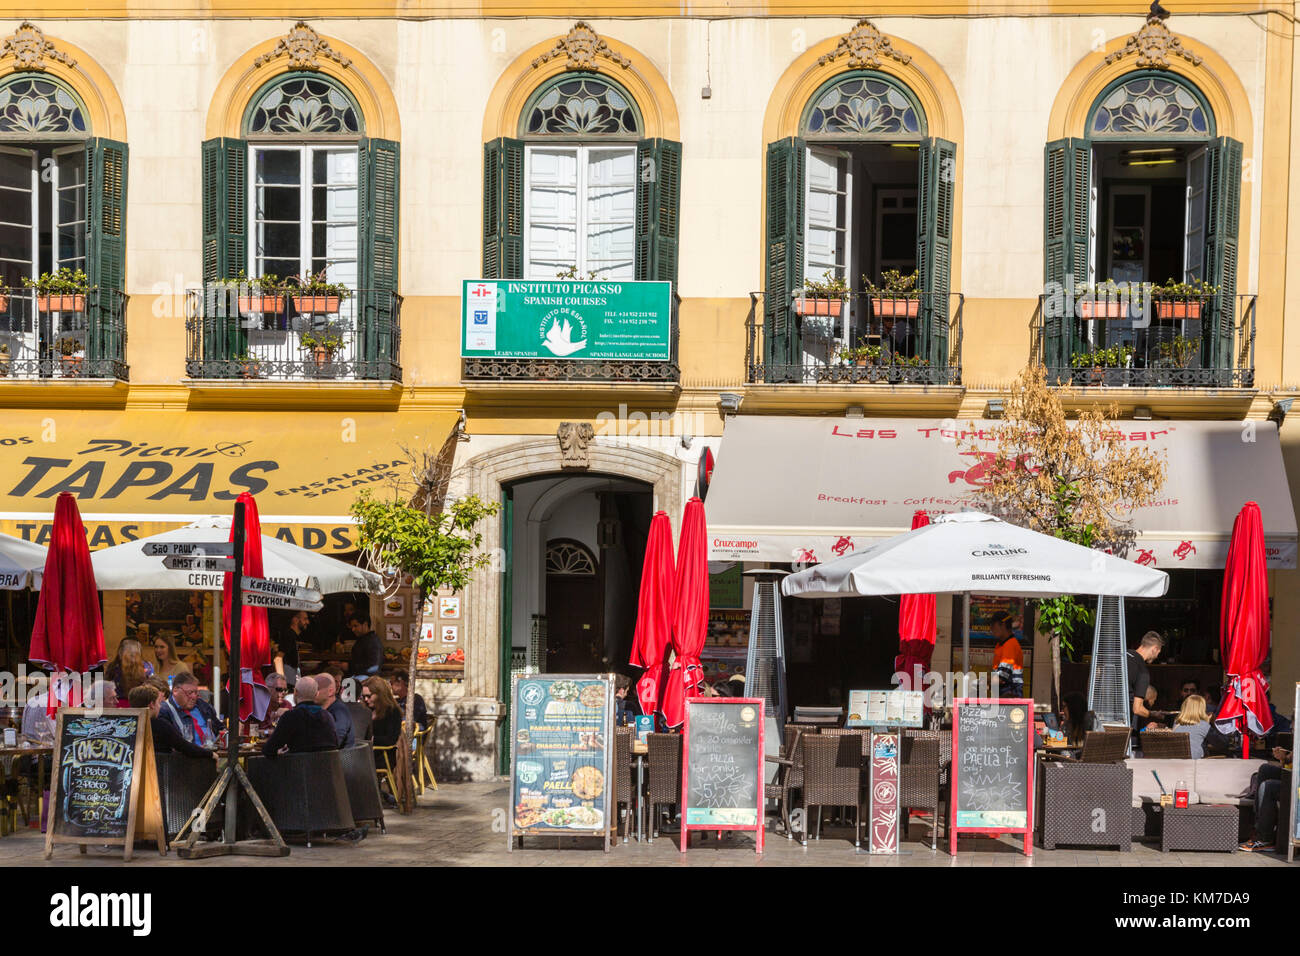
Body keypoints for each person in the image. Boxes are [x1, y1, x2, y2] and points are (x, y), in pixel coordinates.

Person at [128, 684, 215, 760]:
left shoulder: (126, 724)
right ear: (152, 705)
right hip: (161, 772)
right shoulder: (160, 725)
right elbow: (184, 747)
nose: (160, 706)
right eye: (159, 703)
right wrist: (211, 754)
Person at [261, 677, 339, 757]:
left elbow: (268, 750)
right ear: (316, 694)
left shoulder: (291, 717)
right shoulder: (328, 716)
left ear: (295, 692)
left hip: (299, 767)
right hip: (326, 767)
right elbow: (335, 745)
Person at [1240, 747, 1292, 851]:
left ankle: (1265, 838)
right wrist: (1283, 759)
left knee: (1268, 786)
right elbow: (1289, 768)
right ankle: (1258, 828)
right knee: (1265, 769)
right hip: (1293, 776)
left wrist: (1287, 757)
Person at [159, 670, 220, 748]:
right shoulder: (164, 711)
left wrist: (223, 735)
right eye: (190, 693)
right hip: (188, 758)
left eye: (196, 692)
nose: (194, 697)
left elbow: (220, 728)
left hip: (214, 753)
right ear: (175, 691)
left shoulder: (202, 705)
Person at [1127, 630, 1163, 731]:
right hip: (1121, 722)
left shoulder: (1121, 655)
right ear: (1155, 648)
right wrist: (1151, 714)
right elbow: (1137, 709)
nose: (1157, 656)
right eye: (1158, 653)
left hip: (1100, 715)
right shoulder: (1142, 671)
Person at [105, 638, 155, 705]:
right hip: (139, 706)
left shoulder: (112, 667)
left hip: (120, 706)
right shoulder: (148, 666)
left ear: (120, 653)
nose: (132, 656)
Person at [362, 676, 402, 754]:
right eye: (363, 696)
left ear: (380, 694)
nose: (366, 699)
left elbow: (391, 739)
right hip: (366, 752)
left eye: (369, 696)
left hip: (384, 754)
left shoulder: (392, 711)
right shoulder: (366, 710)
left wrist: (371, 739)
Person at [314, 671, 354, 748]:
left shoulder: (339, 711)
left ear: (330, 691)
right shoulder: (318, 710)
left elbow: (335, 741)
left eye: (317, 689)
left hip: (339, 758)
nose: (313, 692)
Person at [989, 610, 1023, 698]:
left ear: (1003, 625)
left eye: (993, 625)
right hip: (1002, 695)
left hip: (1010, 696)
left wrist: (979, 681)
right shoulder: (1000, 645)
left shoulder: (1010, 645)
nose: (991, 628)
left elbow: (1001, 677)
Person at [1170, 694, 1212, 758]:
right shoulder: (1204, 725)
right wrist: (1210, 722)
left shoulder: (1176, 723)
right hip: (1195, 764)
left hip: (1177, 762)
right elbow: (1221, 743)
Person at [275, 609, 308, 685]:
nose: (307, 622)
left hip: (292, 677)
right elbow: (278, 659)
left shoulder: (294, 636)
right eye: (305, 619)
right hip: (288, 679)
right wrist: (281, 681)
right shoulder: (289, 635)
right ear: (295, 620)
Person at [348, 611, 382, 678]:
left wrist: (349, 666)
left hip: (367, 682)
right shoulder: (363, 639)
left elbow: (374, 667)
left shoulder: (372, 641)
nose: (353, 629)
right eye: (352, 627)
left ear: (365, 624)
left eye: (355, 626)